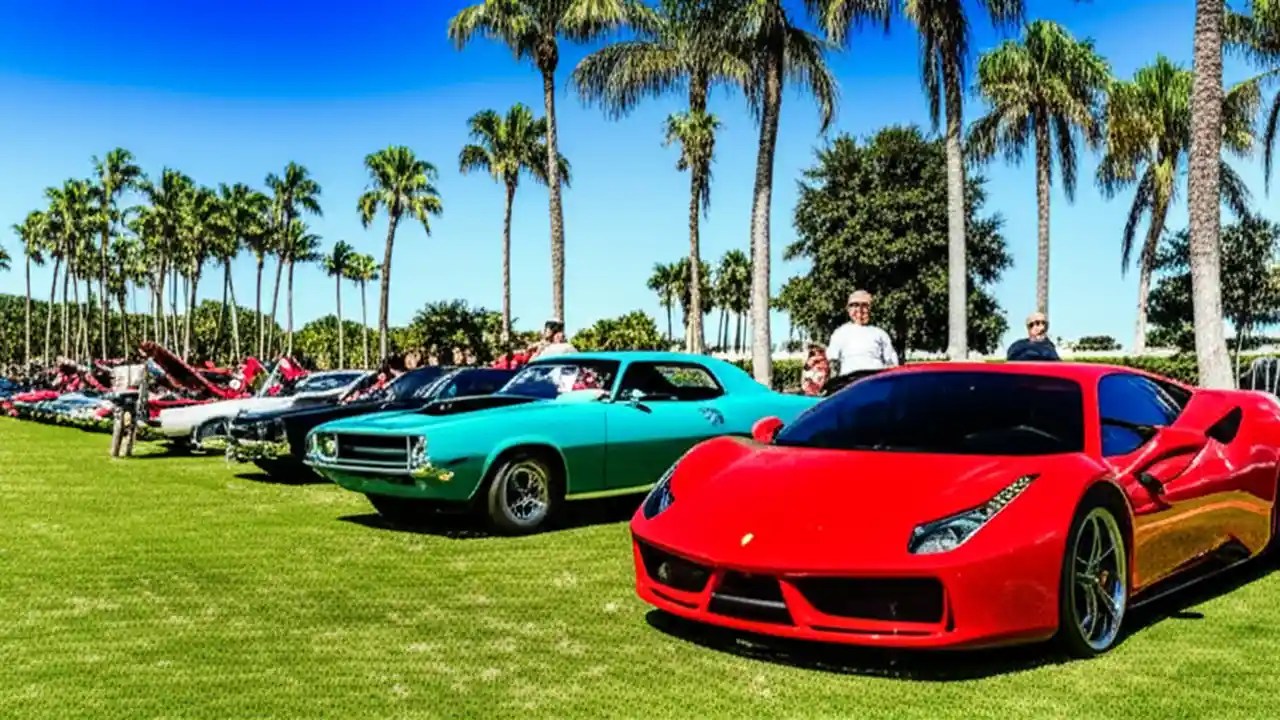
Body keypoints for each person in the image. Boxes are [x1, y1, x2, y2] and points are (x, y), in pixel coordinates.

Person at [826, 290, 899, 377]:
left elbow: (892, 364)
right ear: (848, 309)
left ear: (870, 309)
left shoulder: (880, 334)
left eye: (864, 305)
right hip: (850, 383)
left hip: (875, 381)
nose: (859, 310)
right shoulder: (840, 333)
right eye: (855, 305)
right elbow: (830, 362)